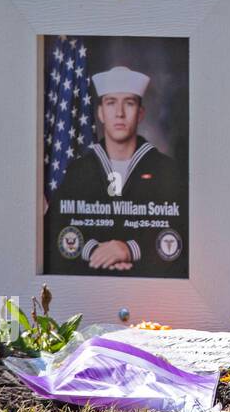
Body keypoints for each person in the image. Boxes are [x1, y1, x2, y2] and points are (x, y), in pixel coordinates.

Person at [44, 65, 184, 276]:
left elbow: (182, 229)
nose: (119, 113)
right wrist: (94, 250)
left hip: (149, 287)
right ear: (100, 113)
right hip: (89, 285)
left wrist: (129, 250)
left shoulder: (165, 169)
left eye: (129, 103)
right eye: (111, 103)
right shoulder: (79, 170)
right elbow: (56, 230)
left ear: (140, 113)